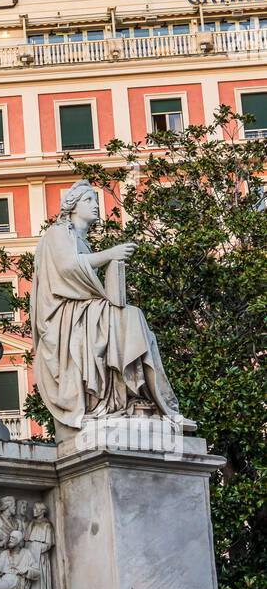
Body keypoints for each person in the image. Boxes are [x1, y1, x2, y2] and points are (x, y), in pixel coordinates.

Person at [32, 181, 184, 439]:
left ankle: (128, 397)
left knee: (129, 316)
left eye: (96, 200)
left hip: (83, 309)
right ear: (73, 207)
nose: (96, 205)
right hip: (65, 315)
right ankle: (121, 396)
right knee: (128, 316)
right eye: (89, 200)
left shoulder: (82, 242)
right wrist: (110, 254)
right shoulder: (58, 233)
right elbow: (68, 269)